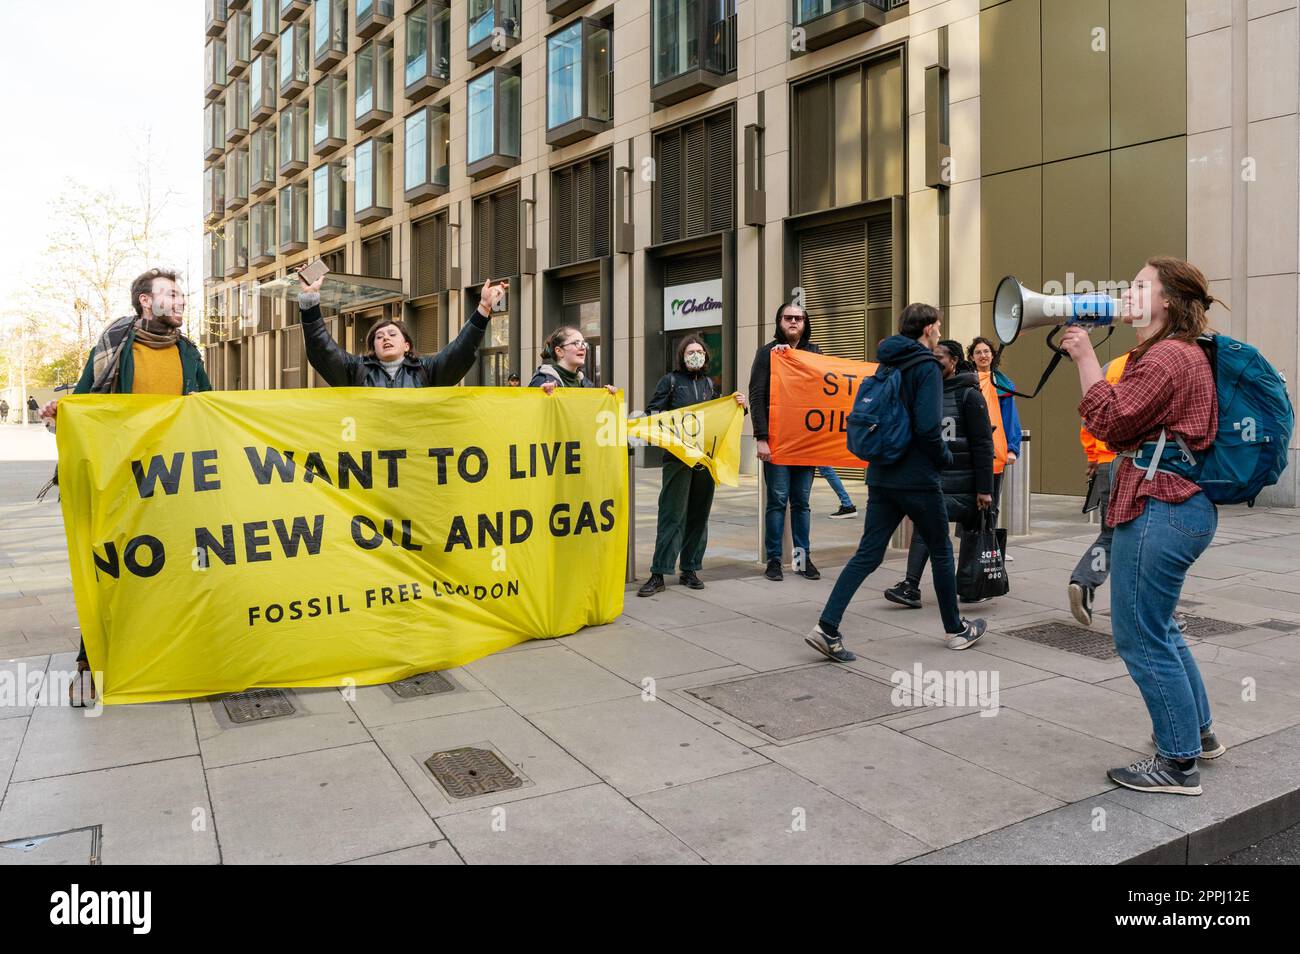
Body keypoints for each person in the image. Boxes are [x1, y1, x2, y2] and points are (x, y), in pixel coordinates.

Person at [1060, 256, 1224, 796]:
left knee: (1139, 633)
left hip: (1162, 505)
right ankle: (1196, 736)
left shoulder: (1166, 358)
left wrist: (1084, 356)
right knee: (1162, 626)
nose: (1128, 292)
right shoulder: (1173, 354)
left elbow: (1111, 422)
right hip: (1176, 506)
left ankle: (1178, 764)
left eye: (1139, 285)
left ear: (1169, 301)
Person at [41, 267, 211, 695]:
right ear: (146, 302)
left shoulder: (189, 353)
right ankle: (92, 657)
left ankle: (172, 648)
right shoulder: (115, 347)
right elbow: (84, 399)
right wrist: (59, 413)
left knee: (172, 564)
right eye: (171, 295)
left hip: (172, 481)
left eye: (182, 295)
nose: (181, 301)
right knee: (112, 565)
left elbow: (208, 408)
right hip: (120, 478)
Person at [806, 304, 988, 663]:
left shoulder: (887, 362)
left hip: (881, 473)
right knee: (940, 549)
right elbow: (927, 427)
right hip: (917, 476)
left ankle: (826, 627)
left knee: (868, 554)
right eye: (937, 327)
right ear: (930, 328)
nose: (938, 332)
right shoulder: (925, 367)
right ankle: (955, 630)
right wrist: (944, 458)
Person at [883, 340, 994, 609]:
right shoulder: (926, 392)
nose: (933, 363)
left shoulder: (969, 396)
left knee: (960, 530)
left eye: (939, 358)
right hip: (933, 479)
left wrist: (984, 488)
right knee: (929, 526)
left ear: (954, 361)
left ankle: (927, 586)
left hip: (964, 484)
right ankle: (966, 587)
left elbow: (983, 444)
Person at [638, 335, 747, 596]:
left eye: (699, 351)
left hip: (704, 461)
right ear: (682, 357)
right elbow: (653, 413)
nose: (695, 355)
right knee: (672, 514)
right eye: (690, 352)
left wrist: (740, 407)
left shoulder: (711, 385)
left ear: (706, 356)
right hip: (677, 460)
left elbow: (722, 419)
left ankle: (690, 568)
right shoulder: (671, 381)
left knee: (699, 515)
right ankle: (659, 572)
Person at [297, 270, 503, 387]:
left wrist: (484, 308)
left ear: (406, 345)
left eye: (392, 334)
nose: (385, 338)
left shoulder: (427, 370)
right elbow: (321, 350)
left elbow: (461, 350)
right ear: (373, 348)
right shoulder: (355, 370)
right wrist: (310, 301)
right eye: (379, 337)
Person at [749, 301, 823, 582]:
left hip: (805, 442)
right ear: (779, 322)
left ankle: (802, 560)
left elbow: (824, 393)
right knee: (778, 501)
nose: (793, 322)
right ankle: (775, 561)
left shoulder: (815, 353)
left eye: (798, 318)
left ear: (805, 324)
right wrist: (761, 438)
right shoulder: (767, 353)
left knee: (801, 502)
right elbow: (756, 396)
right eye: (787, 318)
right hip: (777, 442)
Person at [1068, 350, 1130, 626]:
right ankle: (1160, 611)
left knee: (1109, 533)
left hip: (1106, 462)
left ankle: (1083, 580)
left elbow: (1089, 417)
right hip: (1133, 462)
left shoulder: (1110, 366)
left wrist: (1094, 458)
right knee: (1143, 536)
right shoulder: (1151, 363)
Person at [970, 335, 1022, 562]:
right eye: (978, 352)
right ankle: (976, 547)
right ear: (971, 357)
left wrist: (1012, 448)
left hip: (995, 449)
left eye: (986, 351)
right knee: (971, 504)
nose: (983, 355)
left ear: (993, 355)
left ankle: (991, 548)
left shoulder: (1002, 384)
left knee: (992, 501)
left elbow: (1011, 419)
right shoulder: (967, 381)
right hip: (971, 451)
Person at [528, 327, 618, 394]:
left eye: (583, 343)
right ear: (559, 351)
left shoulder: (586, 383)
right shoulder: (542, 380)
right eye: (576, 343)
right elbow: (526, 412)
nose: (583, 348)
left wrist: (607, 396)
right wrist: (538, 394)